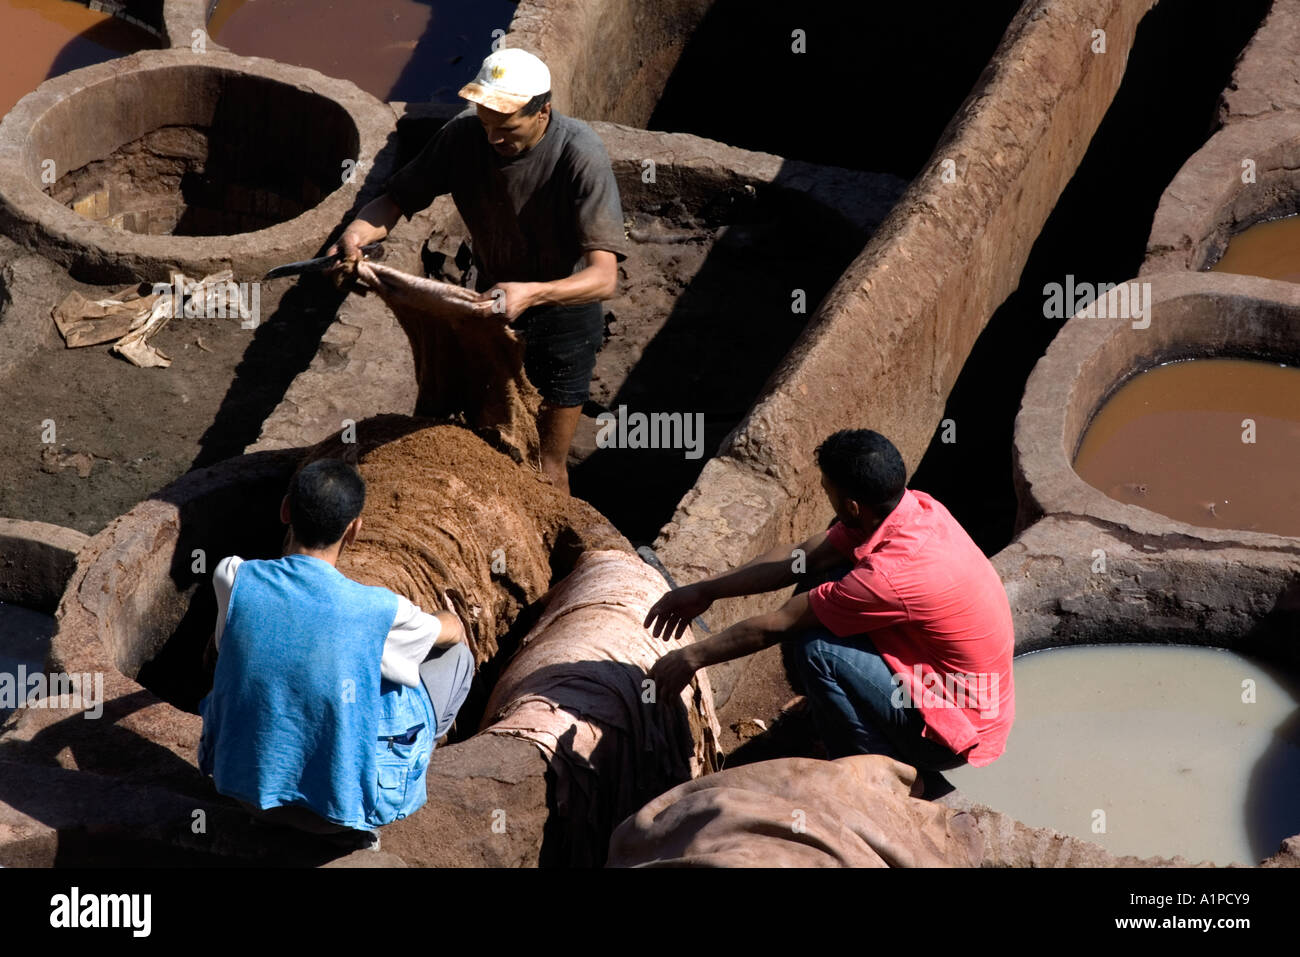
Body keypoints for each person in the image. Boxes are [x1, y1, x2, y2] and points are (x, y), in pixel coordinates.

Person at [329, 48, 630, 494]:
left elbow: (604, 278)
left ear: (543, 111)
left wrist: (531, 294)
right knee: (481, 434)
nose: (493, 139)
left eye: (507, 128)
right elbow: (394, 201)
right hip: (492, 306)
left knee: (546, 464)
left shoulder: (579, 154)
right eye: (486, 124)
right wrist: (356, 233)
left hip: (564, 318)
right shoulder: (463, 137)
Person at [644, 429, 1016, 773]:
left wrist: (690, 658)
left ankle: (873, 774)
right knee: (823, 577)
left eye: (828, 490)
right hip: (968, 694)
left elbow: (780, 623)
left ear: (853, 506)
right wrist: (705, 590)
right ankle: (839, 713)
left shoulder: (887, 576)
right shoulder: (916, 509)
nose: (826, 496)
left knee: (817, 649)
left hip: (950, 735)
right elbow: (802, 558)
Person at [198, 459, 475, 846]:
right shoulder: (378, 608)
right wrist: (447, 617)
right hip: (336, 819)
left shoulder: (233, 575)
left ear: (285, 511)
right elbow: (452, 633)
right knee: (458, 660)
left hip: (245, 795)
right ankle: (386, 787)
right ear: (354, 530)